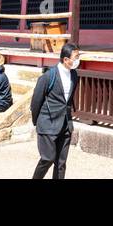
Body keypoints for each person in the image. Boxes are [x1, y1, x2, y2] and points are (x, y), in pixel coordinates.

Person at [30, 45, 80, 180]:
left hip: (65, 123)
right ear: (66, 59)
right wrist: (37, 122)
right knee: (48, 158)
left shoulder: (74, 75)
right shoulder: (48, 76)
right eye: (76, 57)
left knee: (61, 163)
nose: (78, 60)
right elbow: (36, 101)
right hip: (48, 122)